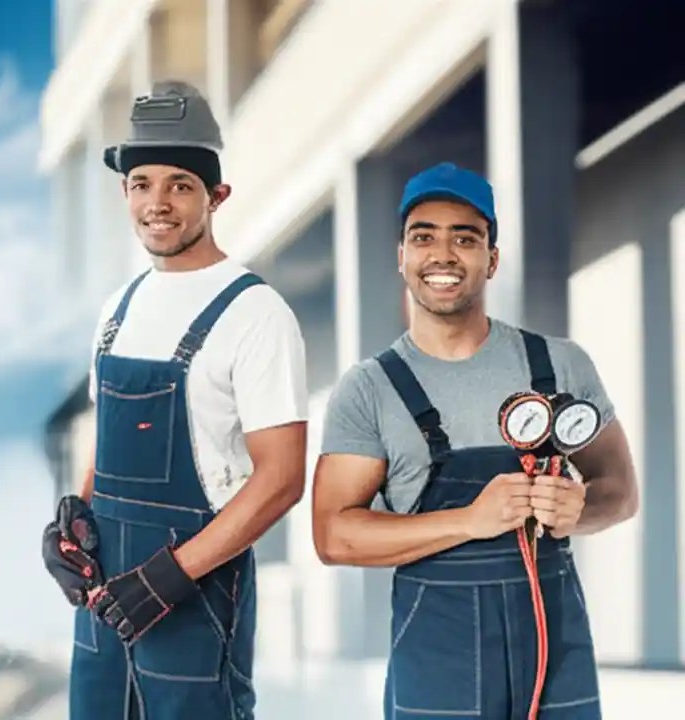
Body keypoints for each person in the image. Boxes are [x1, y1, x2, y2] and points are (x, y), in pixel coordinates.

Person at [310, 162, 640, 719]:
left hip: (553, 650)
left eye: (465, 237)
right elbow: (333, 536)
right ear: (402, 257)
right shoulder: (369, 389)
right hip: (439, 659)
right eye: (424, 237)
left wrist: (572, 513)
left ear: (491, 258)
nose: (443, 254)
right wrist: (470, 519)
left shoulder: (558, 365)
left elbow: (620, 491)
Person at [42, 80, 309, 720]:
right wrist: (73, 518)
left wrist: (173, 576)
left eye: (180, 185)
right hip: (105, 596)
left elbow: (282, 479)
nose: (157, 203)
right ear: (125, 193)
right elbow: (108, 439)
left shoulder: (256, 314)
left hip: (197, 597)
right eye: (142, 184)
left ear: (217, 195)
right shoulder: (121, 305)